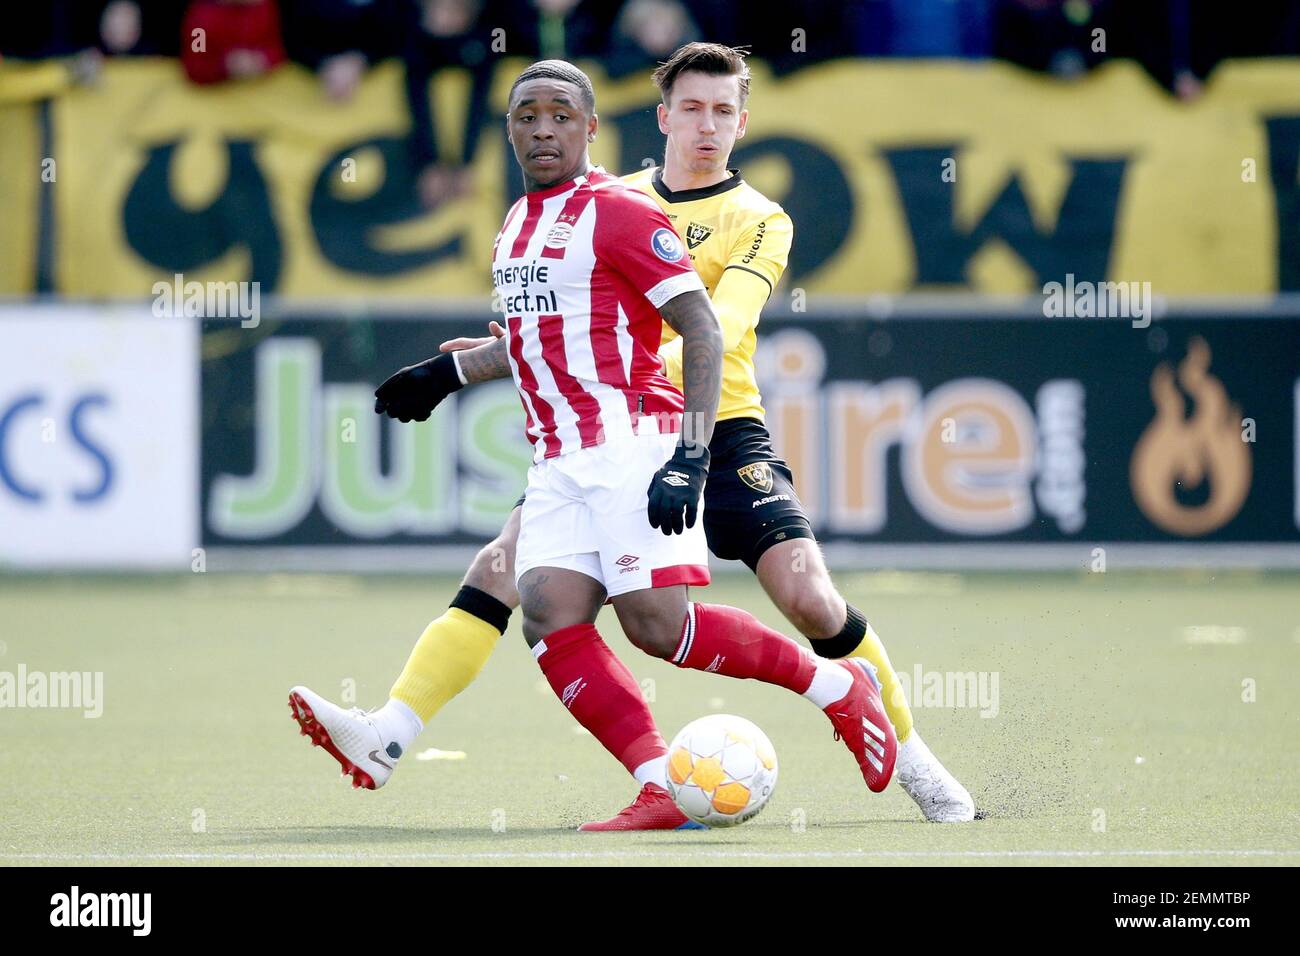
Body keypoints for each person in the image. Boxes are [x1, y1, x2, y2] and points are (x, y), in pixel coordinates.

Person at [293, 44, 975, 824]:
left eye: (723, 111)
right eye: (691, 108)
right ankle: (394, 734)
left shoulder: (753, 219)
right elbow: (564, 328)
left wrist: (630, 398)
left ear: (742, 122)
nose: (707, 126)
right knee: (516, 582)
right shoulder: (563, 209)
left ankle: (915, 760)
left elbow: (717, 326)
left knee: (805, 597)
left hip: (712, 428)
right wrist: (469, 368)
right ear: (661, 118)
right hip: (594, 435)